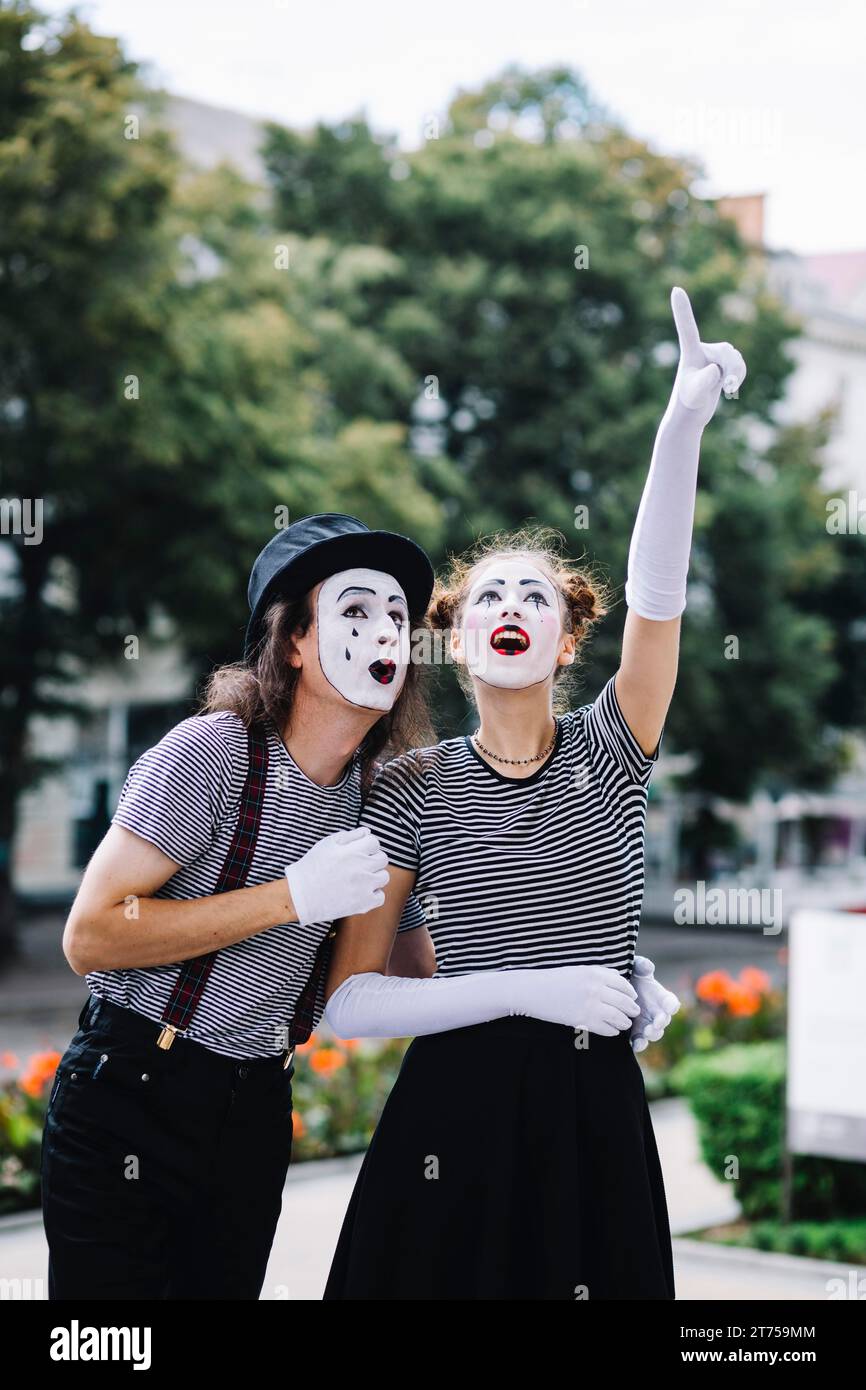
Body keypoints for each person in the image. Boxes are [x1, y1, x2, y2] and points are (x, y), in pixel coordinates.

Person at [321, 287, 746, 1300]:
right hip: (448, 1114)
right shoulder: (409, 786)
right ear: (456, 638)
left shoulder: (611, 748)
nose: (508, 606)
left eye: (534, 595)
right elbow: (348, 1000)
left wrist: (677, 427)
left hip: (586, 1103)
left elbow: (657, 594)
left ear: (564, 640)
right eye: (486, 598)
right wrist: (524, 987)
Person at [40, 512, 439, 1300]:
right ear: (292, 640)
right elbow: (88, 935)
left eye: (398, 616)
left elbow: (417, 971)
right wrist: (292, 898)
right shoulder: (211, 754)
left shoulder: (387, 799)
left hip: (254, 1110)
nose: (387, 632)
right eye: (355, 611)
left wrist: (581, 964)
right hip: (130, 1092)